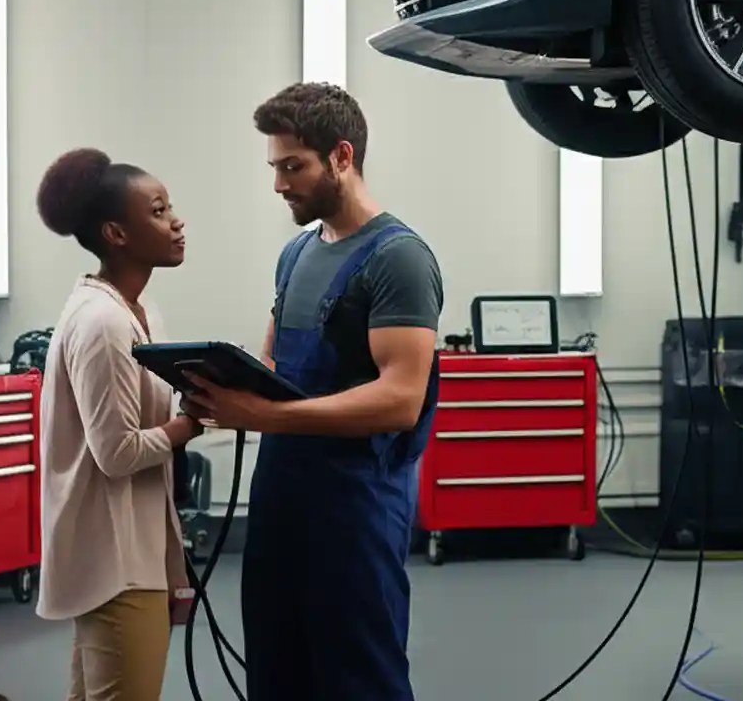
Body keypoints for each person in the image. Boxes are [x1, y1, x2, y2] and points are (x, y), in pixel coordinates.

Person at [181, 82, 444, 701]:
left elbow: (400, 400)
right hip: (282, 498)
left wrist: (265, 415)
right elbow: (274, 357)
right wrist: (220, 383)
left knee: (358, 676)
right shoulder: (297, 252)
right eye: (274, 167)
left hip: (356, 507)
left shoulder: (399, 260)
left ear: (342, 157)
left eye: (293, 167)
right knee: (278, 668)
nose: (279, 184)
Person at [34, 147, 203, 701]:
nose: (176, 220)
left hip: (133, 547)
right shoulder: (104, 321)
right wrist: (192, 422)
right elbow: (117, 453)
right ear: (116, 233)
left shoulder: (140, 311)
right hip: (115, 565)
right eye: (158, 210)